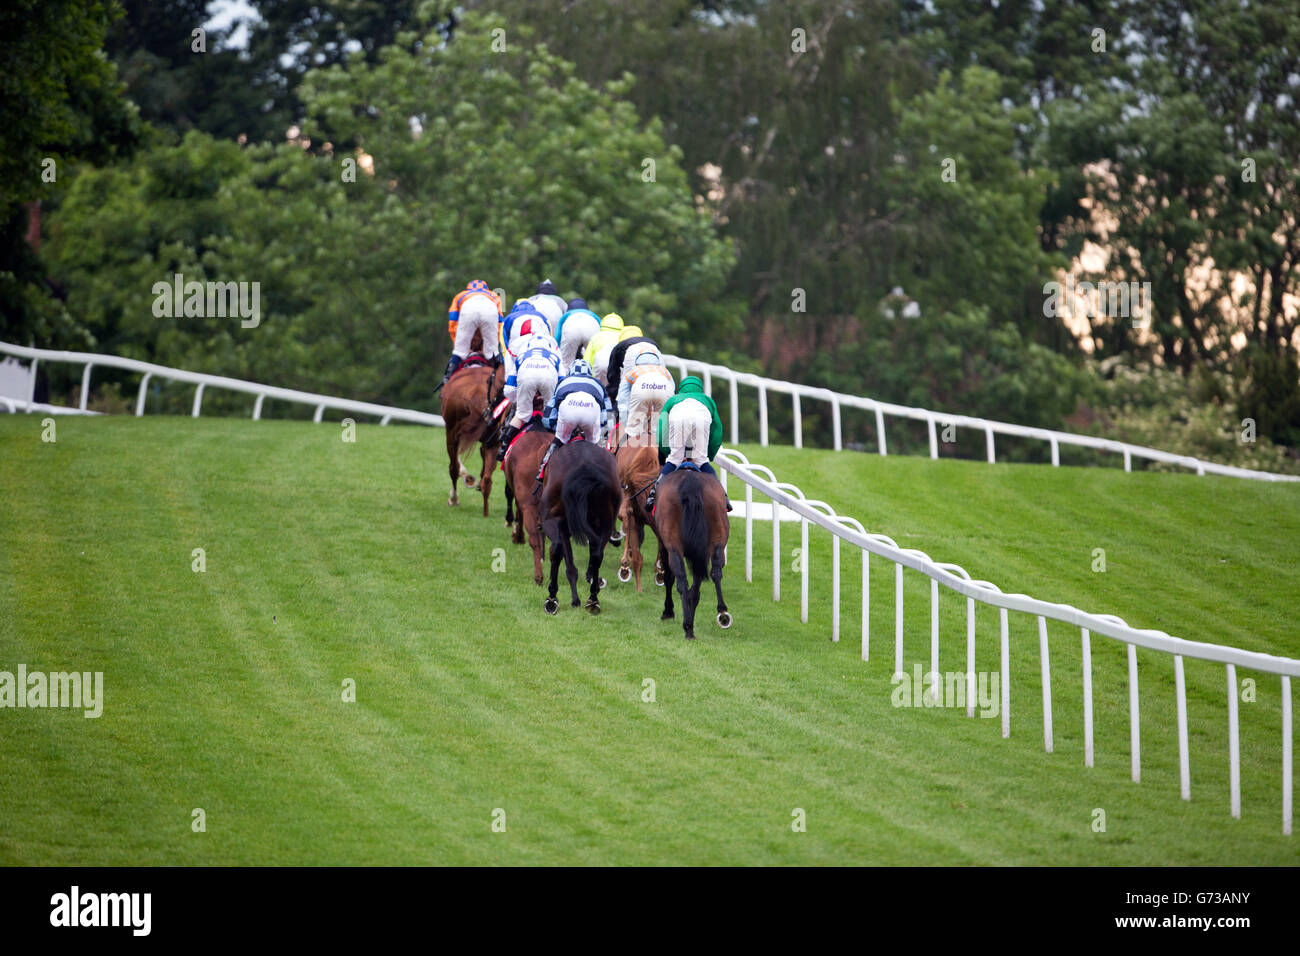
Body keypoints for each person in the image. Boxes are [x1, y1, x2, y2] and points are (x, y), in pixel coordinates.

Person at [646, 375, 730, 512]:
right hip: (701, 417)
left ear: (681, 389)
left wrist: (669, 452)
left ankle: (653, 493)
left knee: (674, 459)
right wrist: (709, 455)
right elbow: (717, 433)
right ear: (700, 389)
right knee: (701, 460)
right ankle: (723, 496)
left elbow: (661, 430)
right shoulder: (708, 400)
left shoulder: (673, 400)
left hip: (678, 417)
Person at [535, 358, 613, 482]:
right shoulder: (598, 384)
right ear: (589, 373)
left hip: (568, 412)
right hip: (591, 413)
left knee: (559, 440)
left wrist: (560, 430)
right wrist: (602, 432)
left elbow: (547, 418)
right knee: (598, 445)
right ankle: (611, 474)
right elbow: (608, 416)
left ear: (570, 372)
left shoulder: (562, 382)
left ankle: (542, 470)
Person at [498, 330, 562, 459]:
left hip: (526, 374)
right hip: (549, 375)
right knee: (552, 415)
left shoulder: (520, 352)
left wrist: (524, 398)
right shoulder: (555, 351)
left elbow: (509, 390)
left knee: (521, 415)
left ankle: (503, 447)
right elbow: (562, 384)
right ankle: (561, 447)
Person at [440, 279, 502, 387]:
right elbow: (500, 322)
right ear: (486, 288)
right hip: (489, 309)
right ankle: (504, 380)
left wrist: (459, 344)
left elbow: (453, 322)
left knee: (459, 352)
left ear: (468, 288)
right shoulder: (494, 295)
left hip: (468, 309)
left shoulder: (460, 295)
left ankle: (447, 380)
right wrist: (495, 345)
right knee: (493, 353)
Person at [619, 350, 676, 445]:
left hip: (641, 387)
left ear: (637, 363)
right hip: (664, 386)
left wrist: (626, 424)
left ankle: (628, 449)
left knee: (633, 429)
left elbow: (623, 402)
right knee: (659, 430)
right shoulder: (665, 371)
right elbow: (672, 393)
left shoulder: (632, 371)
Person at [554, 298, 601, 375]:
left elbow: (557, 337)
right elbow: (601, 333)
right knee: (592, 363)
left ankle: (565, 383)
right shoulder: (592, 315)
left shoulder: (566, 315)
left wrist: (560, 352)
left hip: (571, 329)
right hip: (591, 327)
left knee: (566, 364)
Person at [583, 312, 626, 384]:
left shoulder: (596, 336)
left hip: (599, 368)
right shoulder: (622, 337)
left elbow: (587, 358)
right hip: (616, 369)